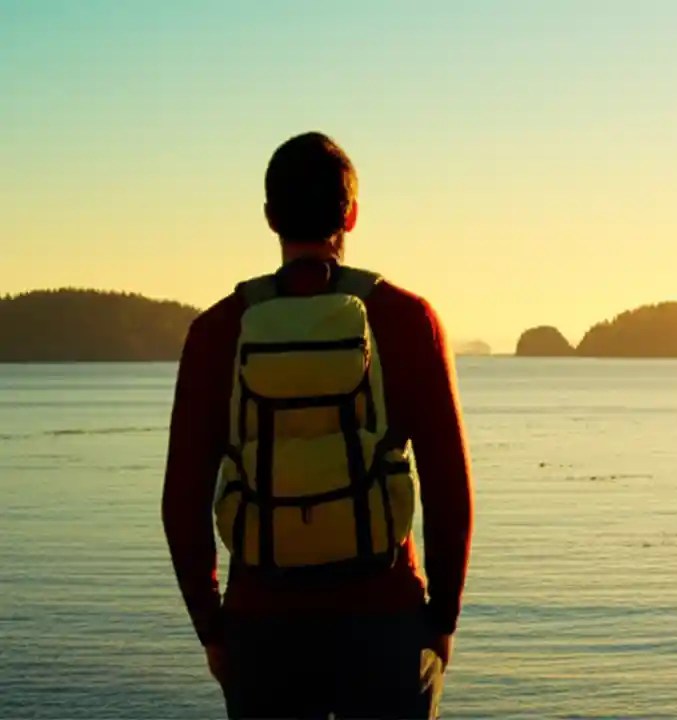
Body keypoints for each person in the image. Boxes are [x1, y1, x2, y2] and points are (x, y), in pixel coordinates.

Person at [162, 132, 473, 719]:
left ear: (270, 217)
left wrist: (212, 629)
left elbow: (182, 503)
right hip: (386, 625)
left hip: (262, 627)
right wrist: (442, 618)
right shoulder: (408, 321)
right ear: (352, 213)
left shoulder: (217, 332)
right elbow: (448, 486)